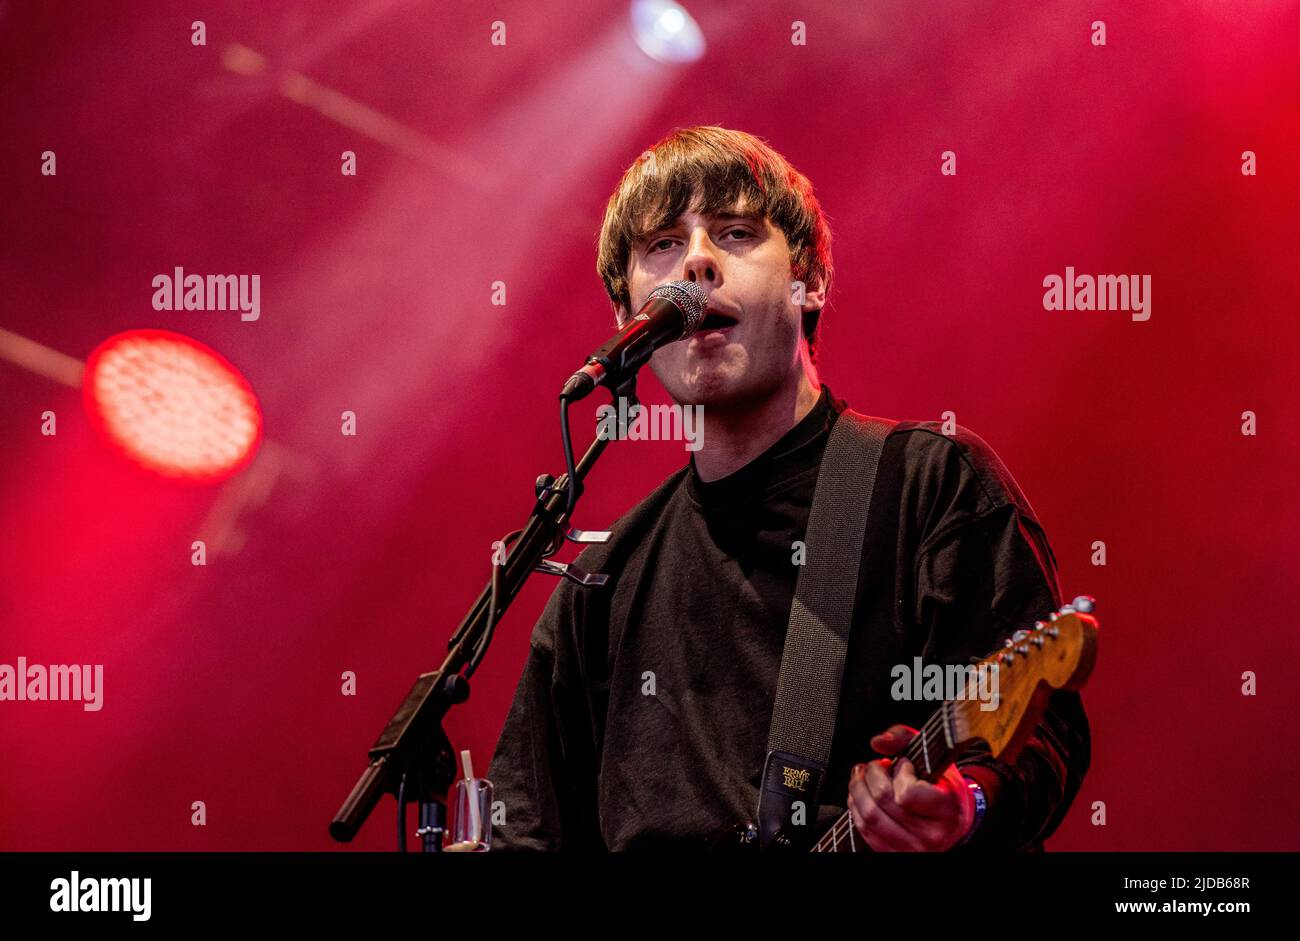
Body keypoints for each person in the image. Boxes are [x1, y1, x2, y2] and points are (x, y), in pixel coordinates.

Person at [487, 125, 1090, 851]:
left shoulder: (927, 488)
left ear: (812, 282)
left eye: (735, 233)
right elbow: (531, 830)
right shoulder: (600, 584)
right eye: (662, 246)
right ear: (628, 320)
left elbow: (1044, 737)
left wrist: (969, 808)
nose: (698, 263)